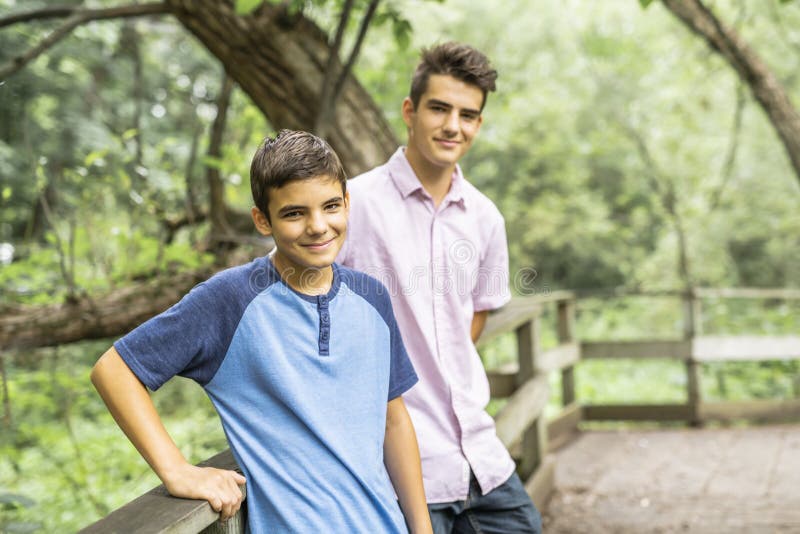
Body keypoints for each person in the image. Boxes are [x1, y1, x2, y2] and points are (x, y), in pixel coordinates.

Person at [91, 130, 433, 533]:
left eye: (331, 206)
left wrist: (422, 528)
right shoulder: (230, 300)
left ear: (347, 203)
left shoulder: (372, 297)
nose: (318, 226)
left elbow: (394, 421)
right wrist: (177, 470)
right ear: (262, 219)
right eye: (294, 213)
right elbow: (114, 370)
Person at [338, 42, 543, 533]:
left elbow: (474, 318)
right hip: (400, 467)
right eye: (439, 108)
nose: (453, 125)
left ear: (478, 124)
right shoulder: (352, 204)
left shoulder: (486, 218)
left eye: (468, 115)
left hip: (481, 457)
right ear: (410, 111)